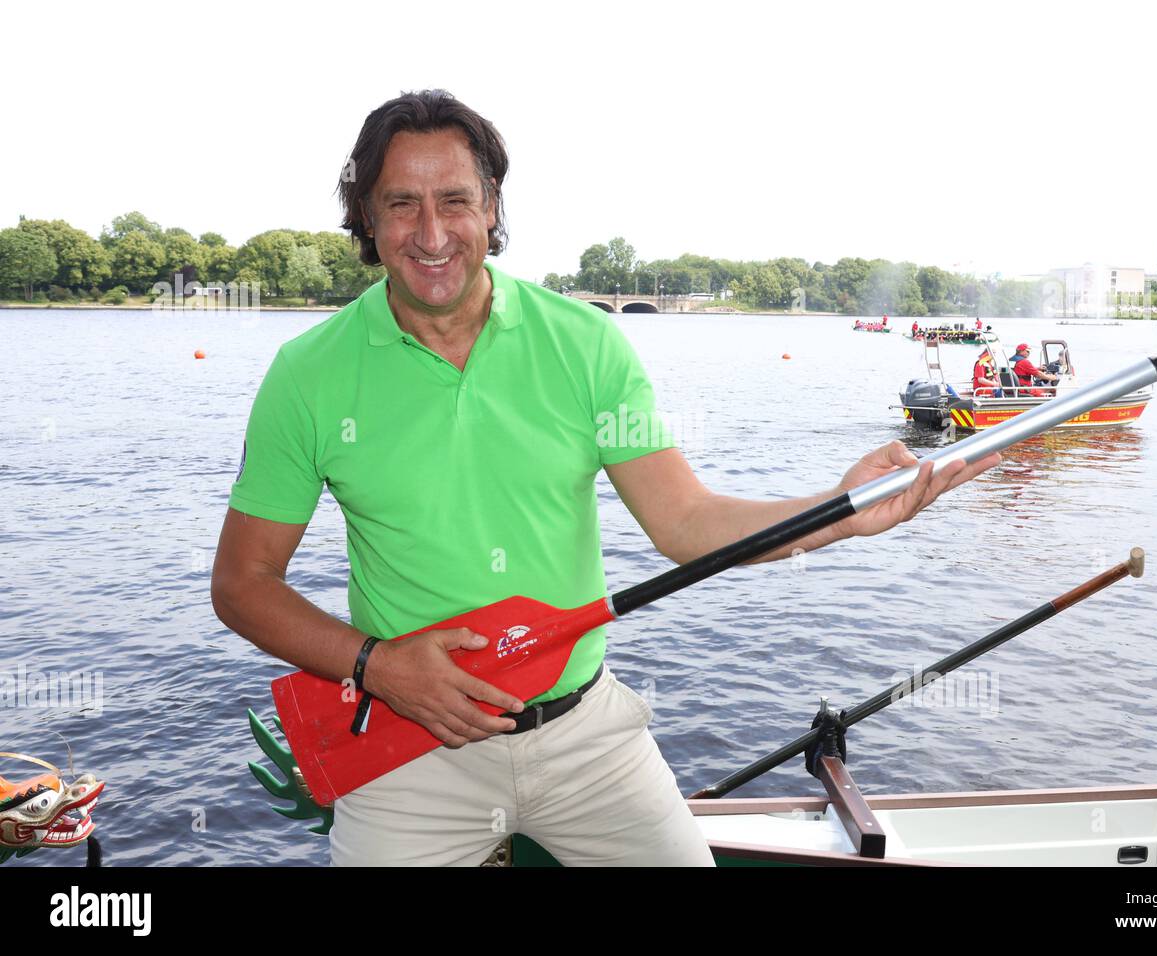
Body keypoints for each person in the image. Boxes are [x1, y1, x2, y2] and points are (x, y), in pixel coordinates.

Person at [210, 90, 999, 868]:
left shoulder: (586, 344)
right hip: (409, 746)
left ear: (491, 208)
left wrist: (841, 511)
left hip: (586, 738)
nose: (431, 232)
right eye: (400, 204)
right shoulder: (307, 375)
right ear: (368, 220)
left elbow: (685, 523)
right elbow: (243, 584)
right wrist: (376, 665)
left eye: (455, 200)